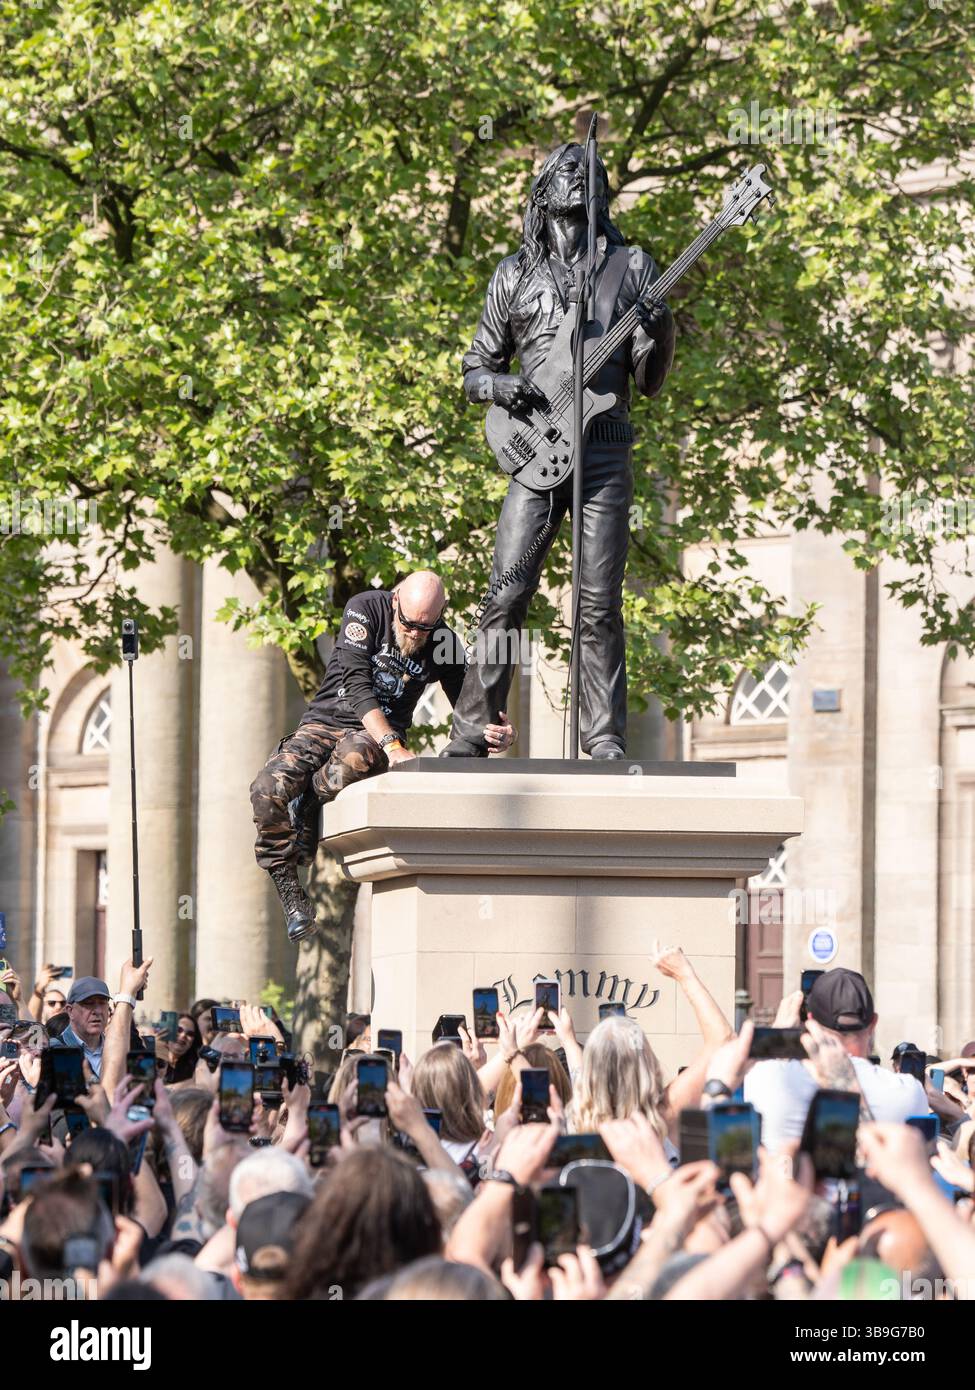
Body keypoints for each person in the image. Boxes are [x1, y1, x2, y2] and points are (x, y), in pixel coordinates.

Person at [441, 141, 676, 759]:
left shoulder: (633, 267)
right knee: (506, 592)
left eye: (592, 172)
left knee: (599, 603)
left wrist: (660, 329)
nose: (583, 178)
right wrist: (500, 385)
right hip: (535, 452)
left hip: (604, 454)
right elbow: (474, 369)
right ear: (543, 191)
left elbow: (649, 383)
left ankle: (602, 738)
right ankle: (470, 731)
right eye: (568, 170)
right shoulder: (513, 274)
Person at [249, 570, 515, 943]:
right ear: (394, 600)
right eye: (408, 624)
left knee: (356, 755)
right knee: (267, 789)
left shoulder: (443, 642)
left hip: (365, 743)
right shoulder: (365, 609)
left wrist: (498, 731)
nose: (415, 634)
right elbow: (356, 684)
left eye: (426, 626)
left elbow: (470, 710)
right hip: (325, 723)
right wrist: (393, 745)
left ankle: (310, 802)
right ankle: (290, 891)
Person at [744, 968, 929, 1151]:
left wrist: (778, 1036)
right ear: (873, 1023)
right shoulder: (909, 1091)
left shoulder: (765, 1079)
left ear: (810, 1019)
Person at [50, 976, 113, 1080]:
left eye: (102, 1003)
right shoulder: (53, 1050)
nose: (97, 1011)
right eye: (89, 1003)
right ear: (70, 1011)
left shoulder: (116, 1050)